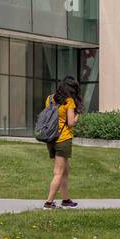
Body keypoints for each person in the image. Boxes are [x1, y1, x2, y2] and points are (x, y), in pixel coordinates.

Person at [44, 76, 81, 209]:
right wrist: (78, 115)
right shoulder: (69, 101)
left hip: (51, 139)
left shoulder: (49, 99)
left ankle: (66, 200)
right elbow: (70, 123)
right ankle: (49, 203)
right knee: (59, 172)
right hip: (63, 139)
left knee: (65, 171)